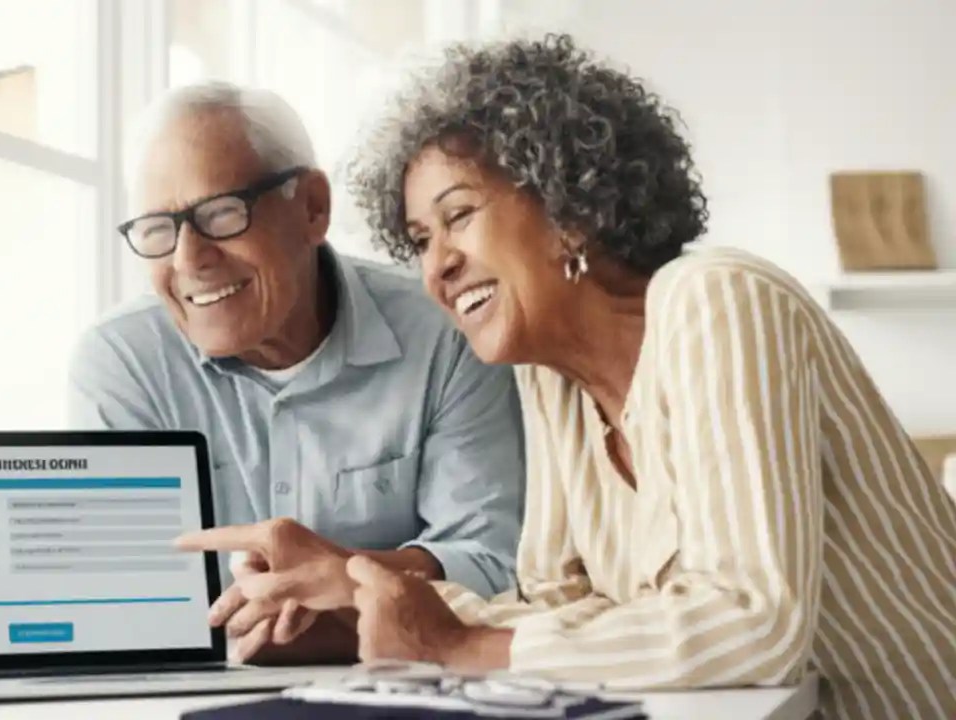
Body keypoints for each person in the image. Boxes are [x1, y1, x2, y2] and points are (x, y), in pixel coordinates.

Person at [177, 36, 956, 718]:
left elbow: (750, 623)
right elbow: (556, 606)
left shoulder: (717, 299)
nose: (437, 266)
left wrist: (458, 647)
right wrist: (358, 595)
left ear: (569, 207)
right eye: (418, 238)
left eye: (459, 215)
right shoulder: (554, 382)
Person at [69, 81, 525, 663]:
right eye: (158, 230)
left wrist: (339, 579)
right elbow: (127, 598)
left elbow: (491, 559)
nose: (189, 260)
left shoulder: (445, 330)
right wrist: (361, 588)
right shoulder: (122, 361)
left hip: (408, 684)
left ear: (312, 207)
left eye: (222, 213)